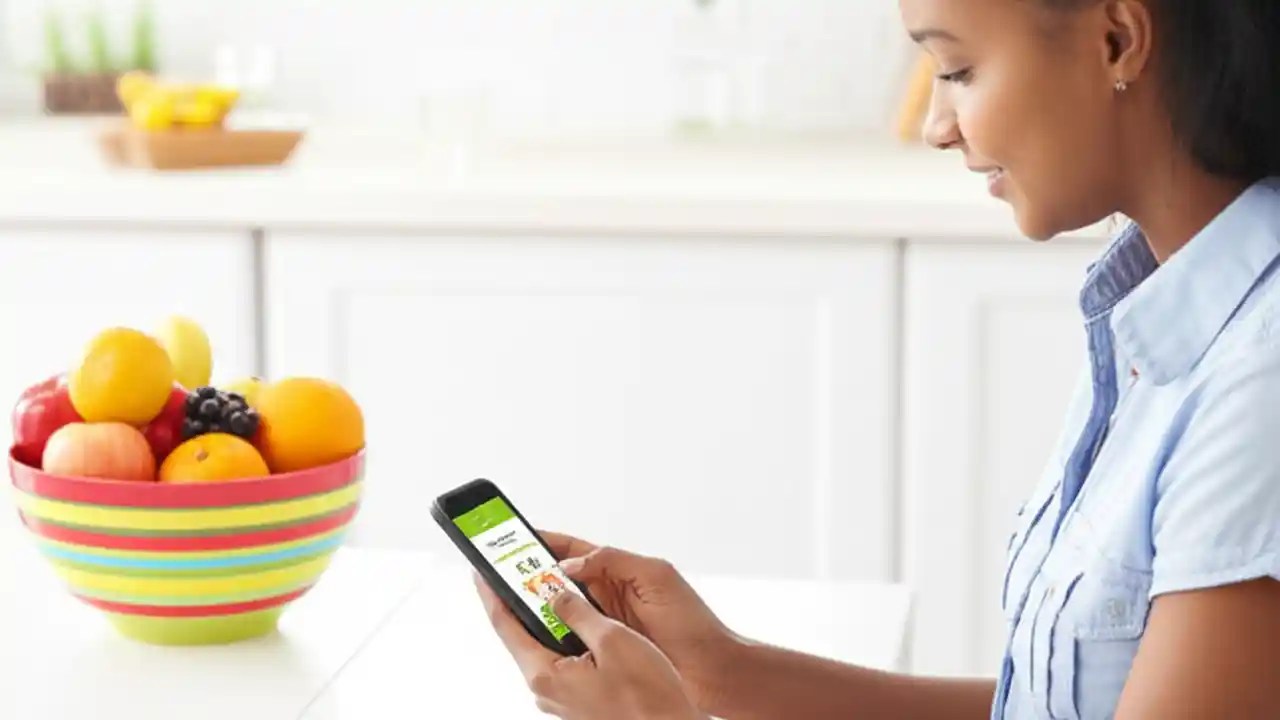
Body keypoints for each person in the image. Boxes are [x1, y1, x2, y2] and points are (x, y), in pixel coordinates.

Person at [474, 0, 1280, 717]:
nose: (938, 125)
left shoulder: (1258, 382)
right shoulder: (1162, 313)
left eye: (958, 69)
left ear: (1117, 40)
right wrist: (722, 673)